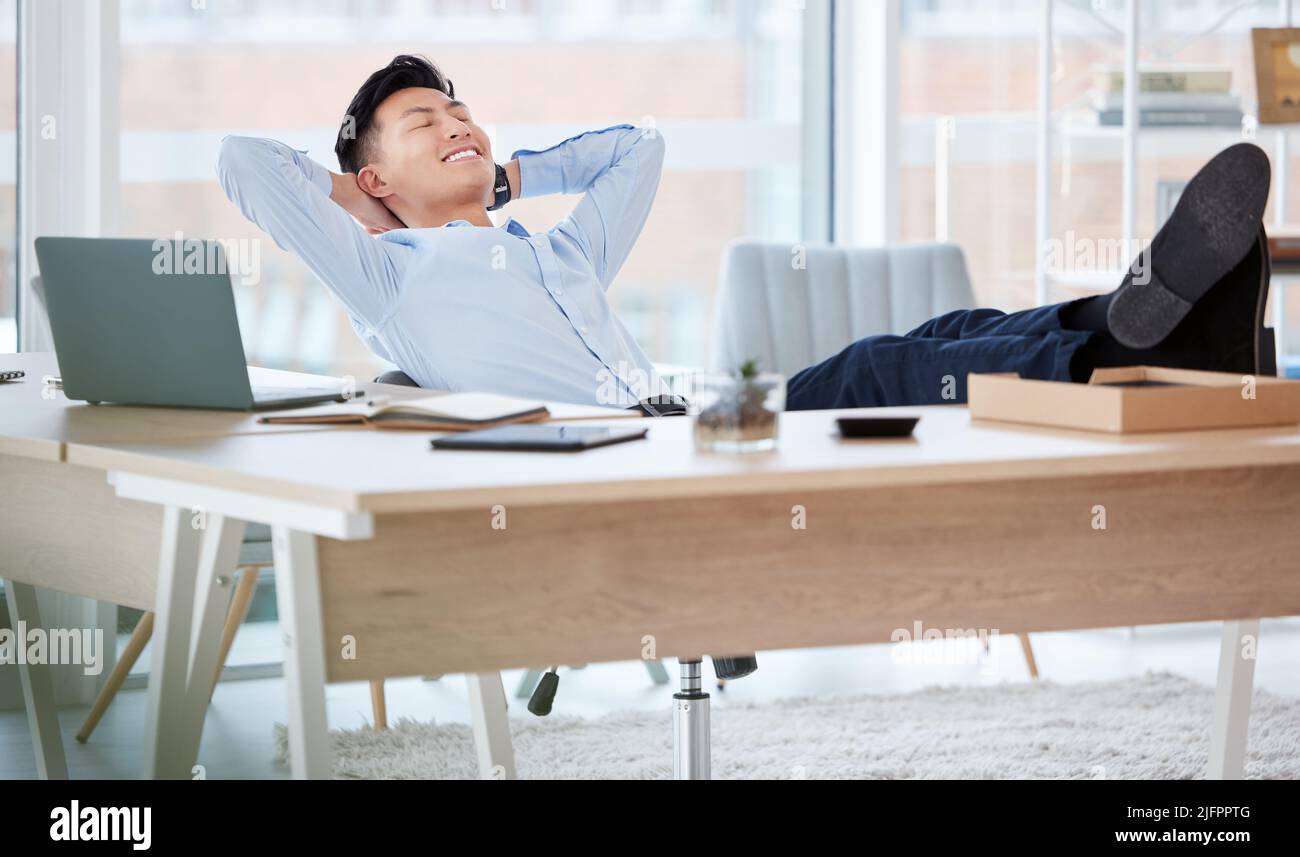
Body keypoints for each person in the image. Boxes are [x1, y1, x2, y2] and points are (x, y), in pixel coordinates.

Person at [218, 55, 1274, 414]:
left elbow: (643, 148)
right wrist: (370, 206)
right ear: (371, 177)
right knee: (879, 367)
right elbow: (243, 163)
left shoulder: (559, 250)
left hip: (688, 418)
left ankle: (1138, 323)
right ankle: (1128, 348)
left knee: (946, 326)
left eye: (460, 114)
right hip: (618, 458)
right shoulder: (383, 274)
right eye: (422, 124)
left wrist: (509, 175)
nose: (454, 125)